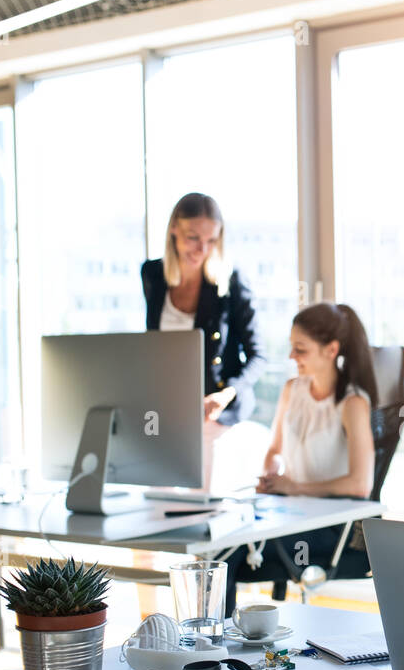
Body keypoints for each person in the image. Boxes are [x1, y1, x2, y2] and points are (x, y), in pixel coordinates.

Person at [224, 302, 378, 613]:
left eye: (301, 349)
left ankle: (211, 646)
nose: (292, 357)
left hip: (331, 526)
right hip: (289, 513)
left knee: (227, 555)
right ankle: (211, 645)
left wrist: (294, 488)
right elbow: (274, 450)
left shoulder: (352, 403)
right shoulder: (292, 390)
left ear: (331, 350)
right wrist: (271, 478)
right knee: (220, 541)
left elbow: (360, 484)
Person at [141, 192, 266, 491]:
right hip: (167, 405)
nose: (202, 249)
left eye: (211, 241)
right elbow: (152, 346)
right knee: (156, 497)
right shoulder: (153, 275)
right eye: (193, 237)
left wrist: (226, 395)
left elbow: (258, 356)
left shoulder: (230, 281)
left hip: (215, 407)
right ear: (173, 229)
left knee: (203, 503)